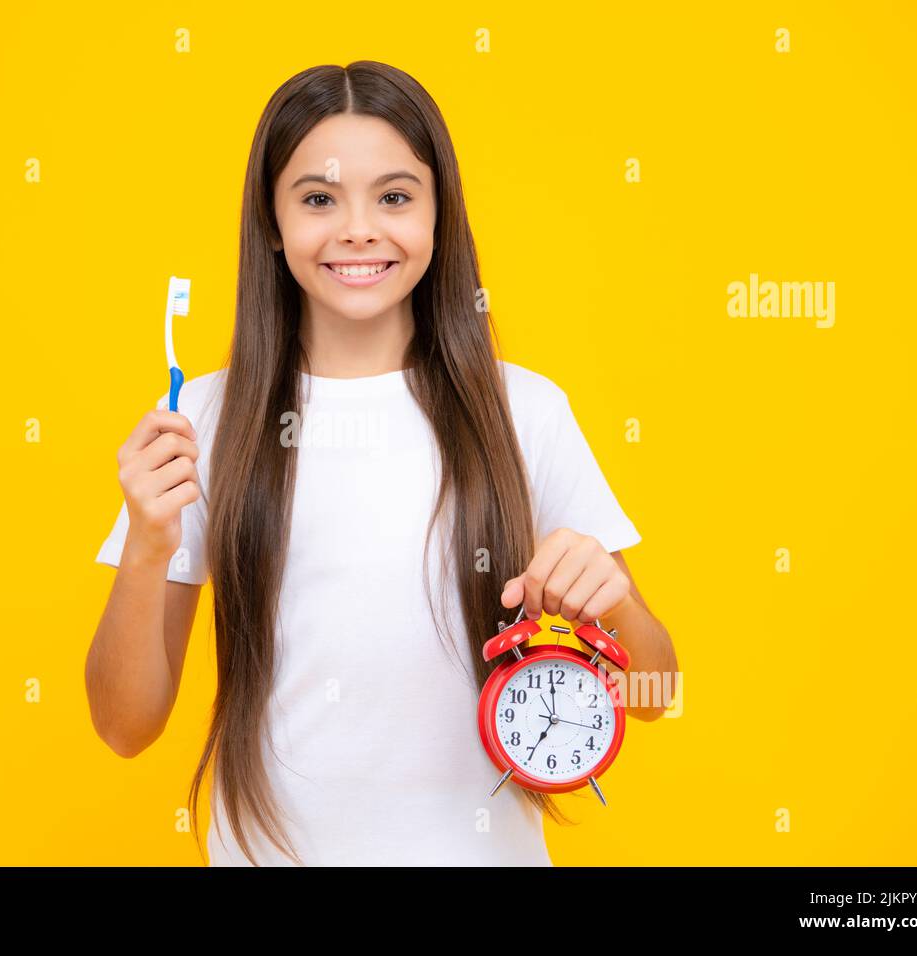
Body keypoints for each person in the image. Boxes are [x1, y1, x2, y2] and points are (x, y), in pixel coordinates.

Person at [85, 61, 677, 866]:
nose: (358, 229)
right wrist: (148, 549)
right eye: (319, 199)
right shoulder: (204, 422)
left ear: (440, 217)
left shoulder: (525, 412)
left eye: (395, 197)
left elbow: (658, 694)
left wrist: (611, 607)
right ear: (271, 220)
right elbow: (125, 727)